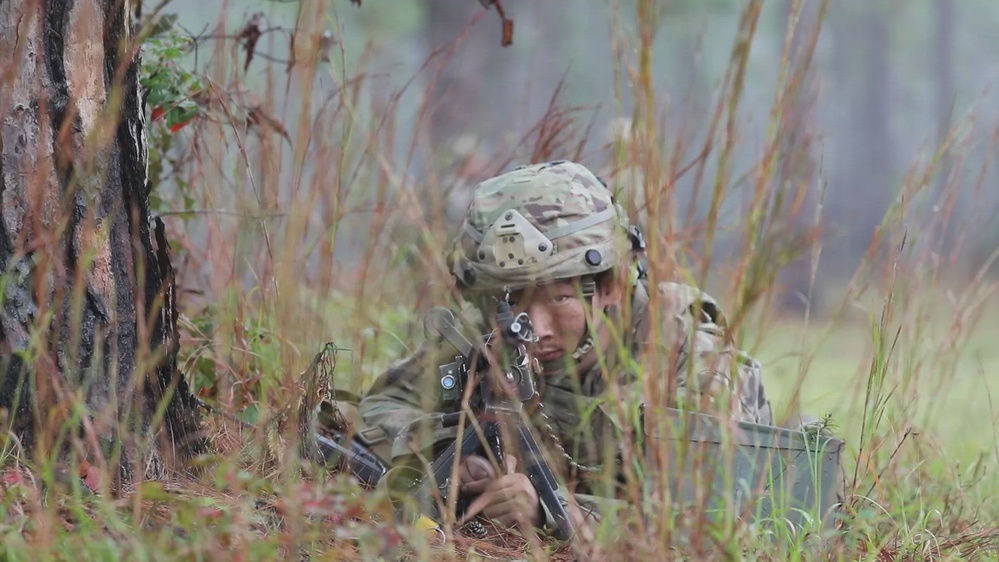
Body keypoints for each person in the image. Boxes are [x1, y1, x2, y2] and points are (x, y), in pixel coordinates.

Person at [356, 160, 774, 535]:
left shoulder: (692, 357)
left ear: (610, 285)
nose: (534, 328)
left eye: (559, 299)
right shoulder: (493, 333)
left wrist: (553, 510)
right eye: (512, 300)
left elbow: (707, 522)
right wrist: (452, 452)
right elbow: (380, 407)